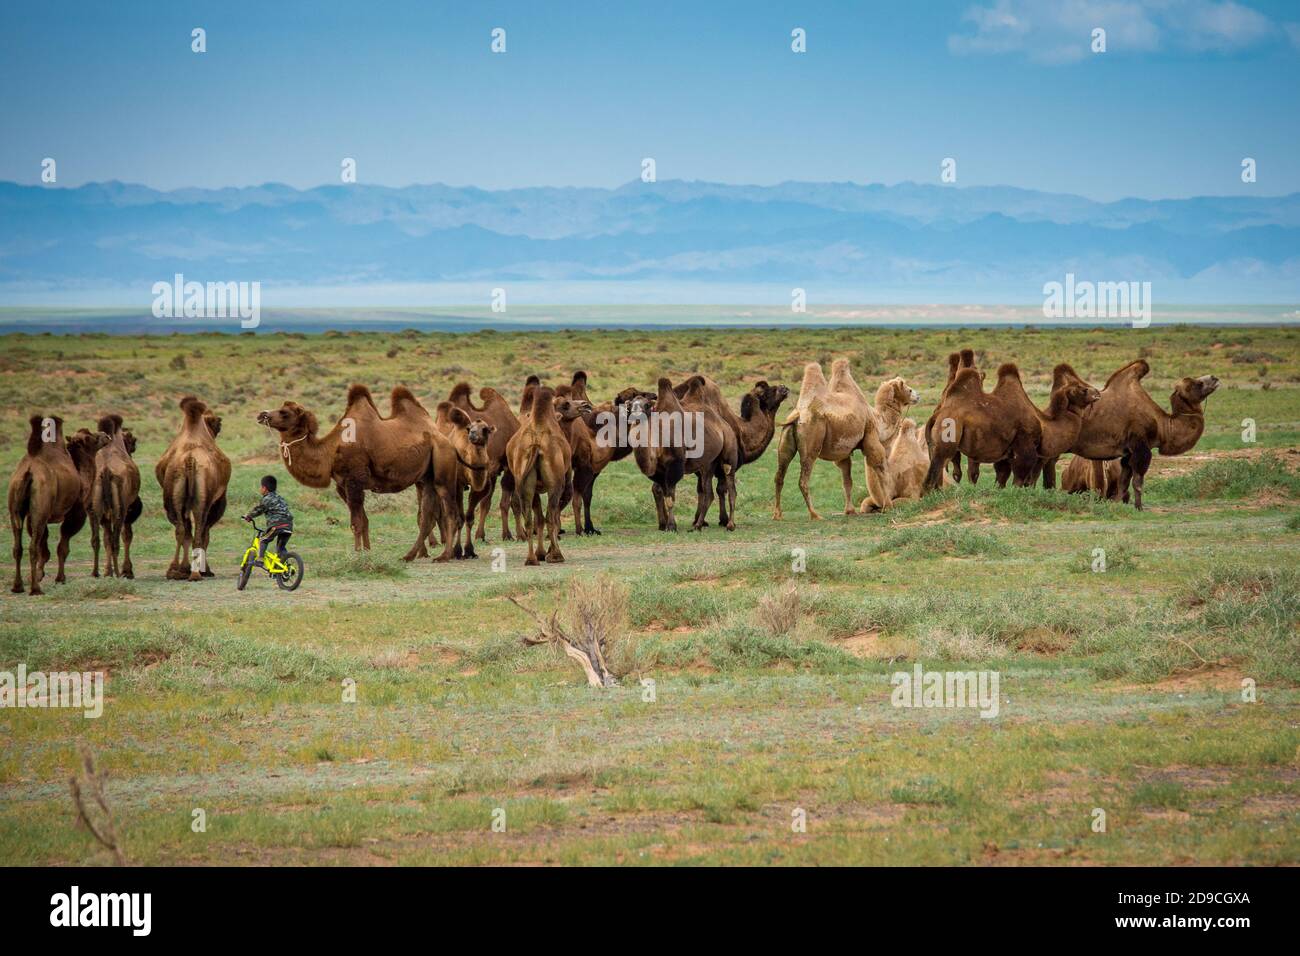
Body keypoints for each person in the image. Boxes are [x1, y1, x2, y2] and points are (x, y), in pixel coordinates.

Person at [242, 474, 294, 564]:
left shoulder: (267, 499)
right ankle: (285, 567)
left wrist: (249, 516)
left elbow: (258, 510)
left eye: (260, 487)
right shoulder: (280, 498)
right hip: (289, 525)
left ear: (264, 488)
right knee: (280, 548)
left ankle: (260, 559)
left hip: (277, 524)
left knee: (263, 539)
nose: (260, 489)